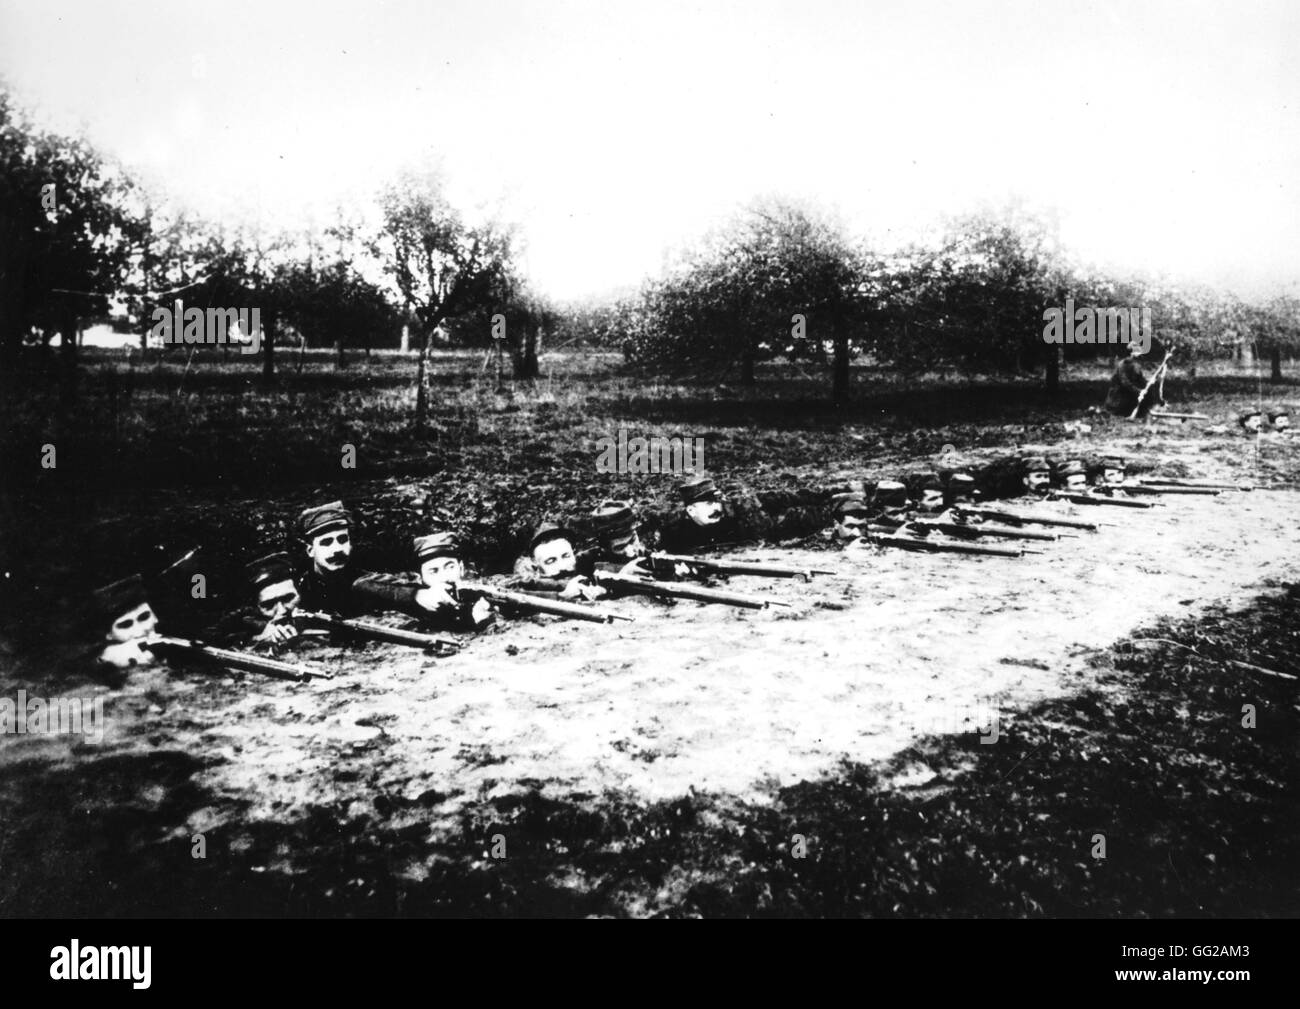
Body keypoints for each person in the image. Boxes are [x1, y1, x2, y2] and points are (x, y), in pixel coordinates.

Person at [295, 500, 441, 618]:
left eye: (342, 539)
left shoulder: (364, 571)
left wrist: (416, 594)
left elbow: (391, 582)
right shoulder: (300, 586)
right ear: (310, 550)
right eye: (326, 542)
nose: (337, 549)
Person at [412, 531, 495, 630]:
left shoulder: (479, 597)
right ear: (420, 578)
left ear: (461, 568)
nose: (444, 577)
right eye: (433, 572)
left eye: (450, 567)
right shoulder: (414, 611)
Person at [509, 521, 608, 600]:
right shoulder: (526, 582)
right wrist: (562, 596)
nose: (562, 566)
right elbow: (510, 596)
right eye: (551, 561)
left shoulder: (586, 561)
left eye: (566, 556)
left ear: (574, 553)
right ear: (536, 565)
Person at [92, 574, 164, 670]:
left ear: (155, 617)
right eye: (125, 624)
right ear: (109, 635)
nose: (139, 630)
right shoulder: (108, 658)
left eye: (144, 617)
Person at [1105, 343, 1164, 418]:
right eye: (1136, 355)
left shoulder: (1136, 365)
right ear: (1130, 354)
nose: (1137, 357)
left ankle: (1146, 411)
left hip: (1131, 391)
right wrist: (1138, 391)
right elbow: (1125, 383)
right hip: (1120, 394)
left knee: (1148, 393)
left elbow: (1140, 379)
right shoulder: (1123, 365)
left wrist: (1149, 384)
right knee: (1125, 404)